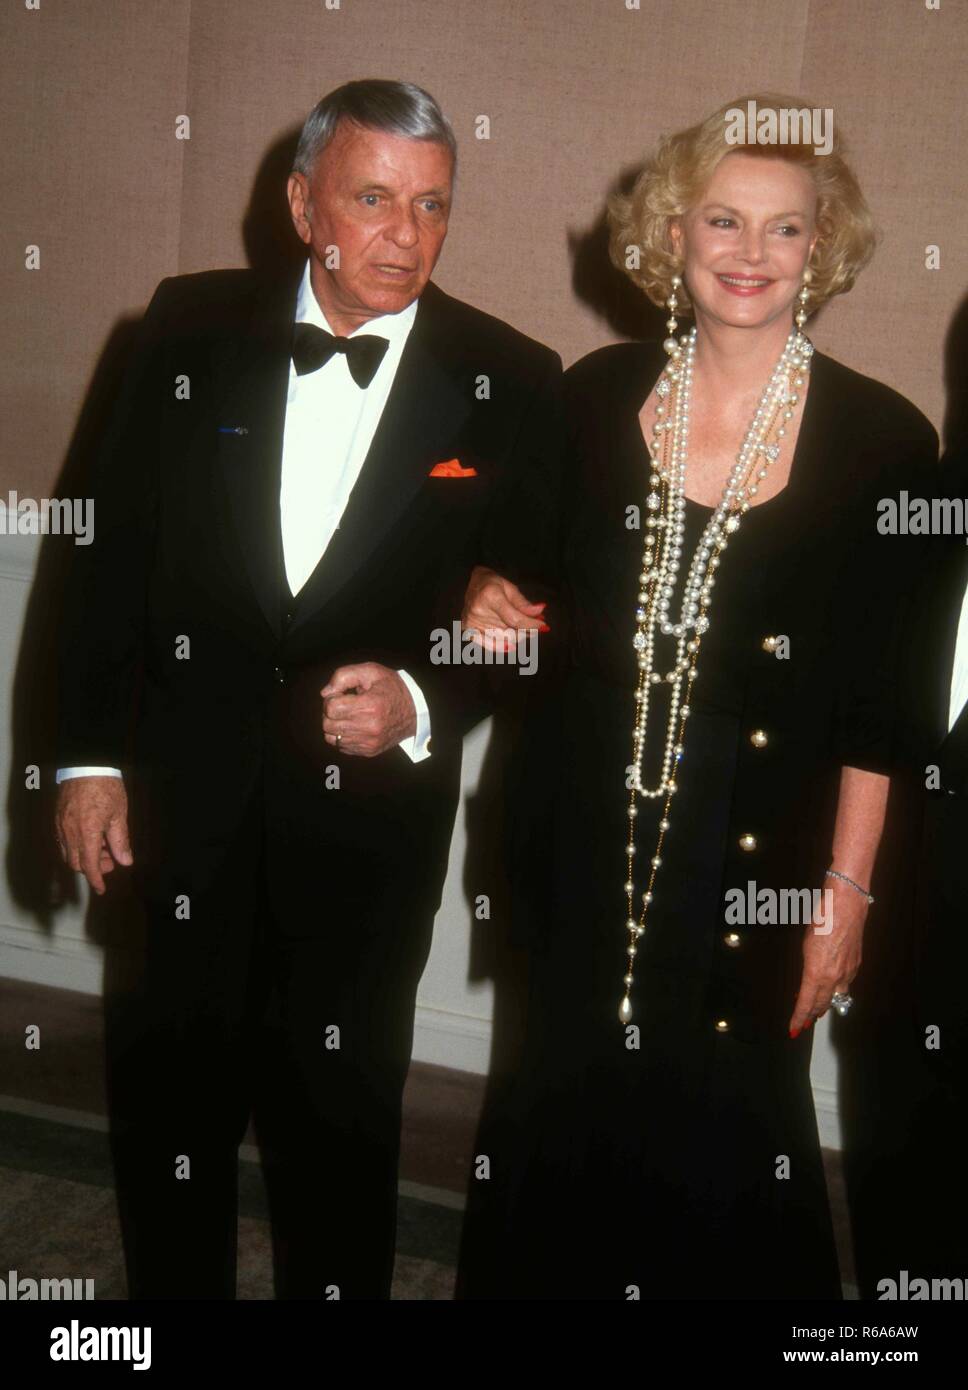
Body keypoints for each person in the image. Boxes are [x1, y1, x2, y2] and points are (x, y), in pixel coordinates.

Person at [53, 79, 561, 1300]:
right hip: (178, 811)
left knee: (338, 1134)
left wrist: (424, 696)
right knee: (168, 1122)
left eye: (432, 205)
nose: (405, 235)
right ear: (302, 203)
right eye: (373, 198)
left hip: (363, 837)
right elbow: (97, 560)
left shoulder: (511, 375)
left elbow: (534, 617)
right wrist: (83, 762)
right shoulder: (180, 330)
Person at [457, 94, 939, 1300]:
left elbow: (882, 713)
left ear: (820, 250)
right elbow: (519, 576)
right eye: (721, 220)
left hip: (756, 858)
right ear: (667, 234)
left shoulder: (883, 441)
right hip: (575, 840)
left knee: (732, 1146)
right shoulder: (588, 393)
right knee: (550, 1115)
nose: (749, 253)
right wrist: (481, 594)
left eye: (784, 230)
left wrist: (843, 896)